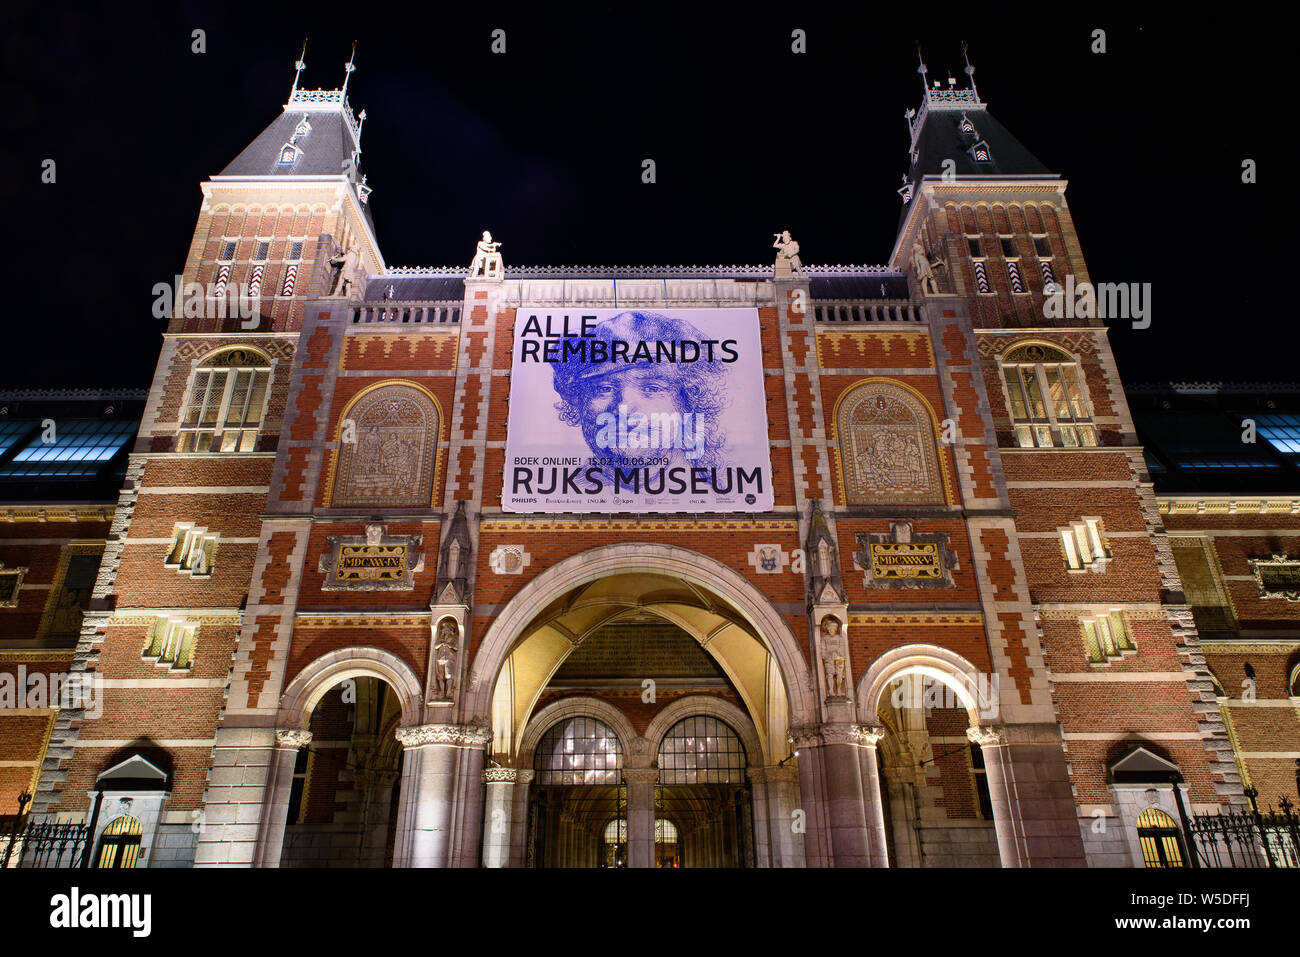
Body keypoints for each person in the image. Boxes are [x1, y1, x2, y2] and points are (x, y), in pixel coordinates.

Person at [550, 311, 731, 477]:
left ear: (689, 401)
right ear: (579, 402)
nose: (624, 407)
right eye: (604, 389)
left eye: (652, 388)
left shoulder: (718, 496)